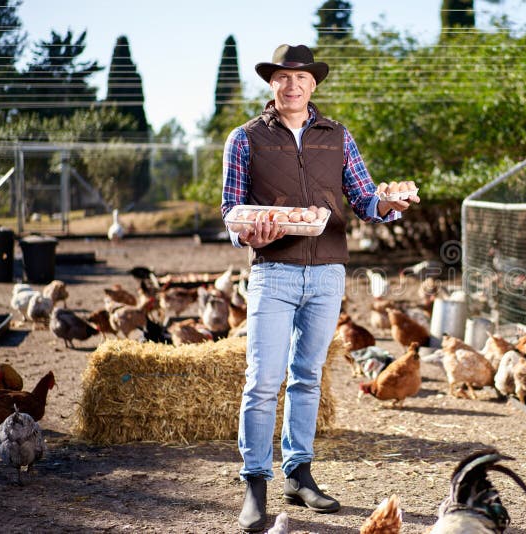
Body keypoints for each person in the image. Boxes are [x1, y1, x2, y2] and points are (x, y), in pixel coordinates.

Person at [220, 44, 420, 532]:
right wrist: (251, 229)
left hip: (328, 270)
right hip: (274, 271)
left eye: (302, 78)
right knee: (264, 379)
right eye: (283, 77)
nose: (293, 85)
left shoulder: (338, 136)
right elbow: (231, 210)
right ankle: (254, 481)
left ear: (313, 84)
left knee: (308, 376)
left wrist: (392, 202)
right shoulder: (245, 138)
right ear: (272, 83)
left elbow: (365, 199)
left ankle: (299, 473)